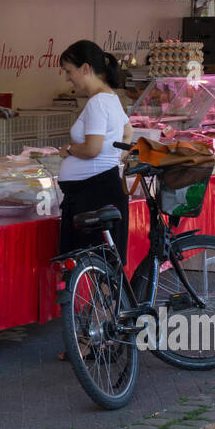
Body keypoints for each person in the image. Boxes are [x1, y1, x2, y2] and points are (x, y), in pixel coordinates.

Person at [55, 40, 135, 264]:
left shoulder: (97, 103)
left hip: (94, 195)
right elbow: (128, 133)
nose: (67, 77)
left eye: (69, 71)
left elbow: (92, 148)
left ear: (86, 69)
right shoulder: (110, 97)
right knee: (104, 268)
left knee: (95, 266)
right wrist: (112, 160)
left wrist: (70, 149)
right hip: (102, 187)